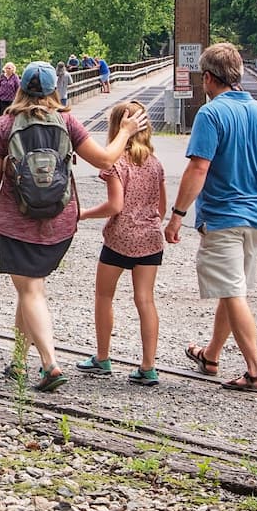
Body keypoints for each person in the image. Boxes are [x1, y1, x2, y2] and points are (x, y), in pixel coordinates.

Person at [0, 62, 149, 391]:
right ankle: (18, 361)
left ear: (21, 90)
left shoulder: (5, 124)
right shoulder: (67, 122)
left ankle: (50, 364)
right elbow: (105, 159)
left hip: (17, 223)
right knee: (30, 288)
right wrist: (125, 132)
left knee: (30, 290)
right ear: (54, 89)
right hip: (59, 222)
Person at [166, 42, 257, 392]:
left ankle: (255, 372)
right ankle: (210, 356)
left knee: (234, 292)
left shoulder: (210, 115)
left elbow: (198, 169)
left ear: (208, 77)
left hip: (223, 218)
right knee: (231, 288)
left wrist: (176, 216)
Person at [77, 101, 167, 384]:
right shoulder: (155, 163)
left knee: (104, 296)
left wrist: (83, 213)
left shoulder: (116, 163)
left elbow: (115, 205)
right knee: (145, 299)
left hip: (119, 238)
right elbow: (162, 208)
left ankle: (102, 358)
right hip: (150, 239)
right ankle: (148, 367)